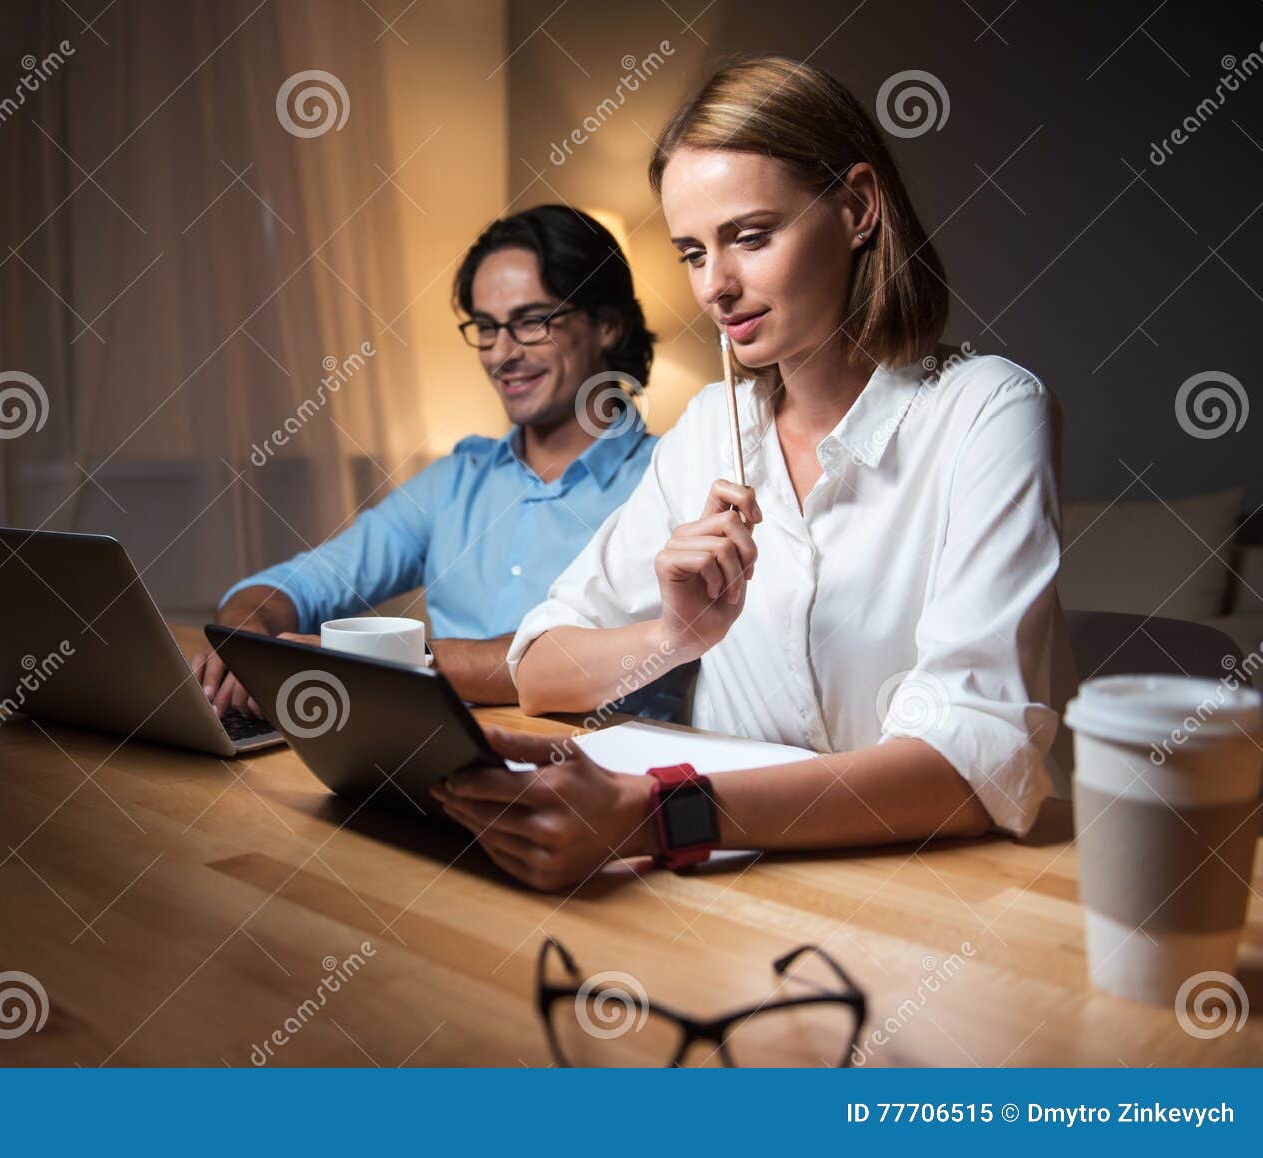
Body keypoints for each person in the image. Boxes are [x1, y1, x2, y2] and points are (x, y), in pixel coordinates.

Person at [434, 55, 1077, 891]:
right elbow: (542, 666)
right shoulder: (710, 427)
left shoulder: (987, 411)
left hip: (938, 892)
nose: (716, 288)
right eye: (693, 253)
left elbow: (971, 763)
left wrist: (654, 815)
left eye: (750, 236)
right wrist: (672, 639)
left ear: (857, 208)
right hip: (736, 894)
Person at [197, 205, 669, 714]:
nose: (500, 354)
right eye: (486, 328)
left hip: (596, 772)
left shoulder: (665, 480)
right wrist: (247, 633)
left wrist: (369, 660)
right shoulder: (455, 482)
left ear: (608, 326)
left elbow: (575, 653)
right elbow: (302, 583)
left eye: (531, 322)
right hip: (441, 760)